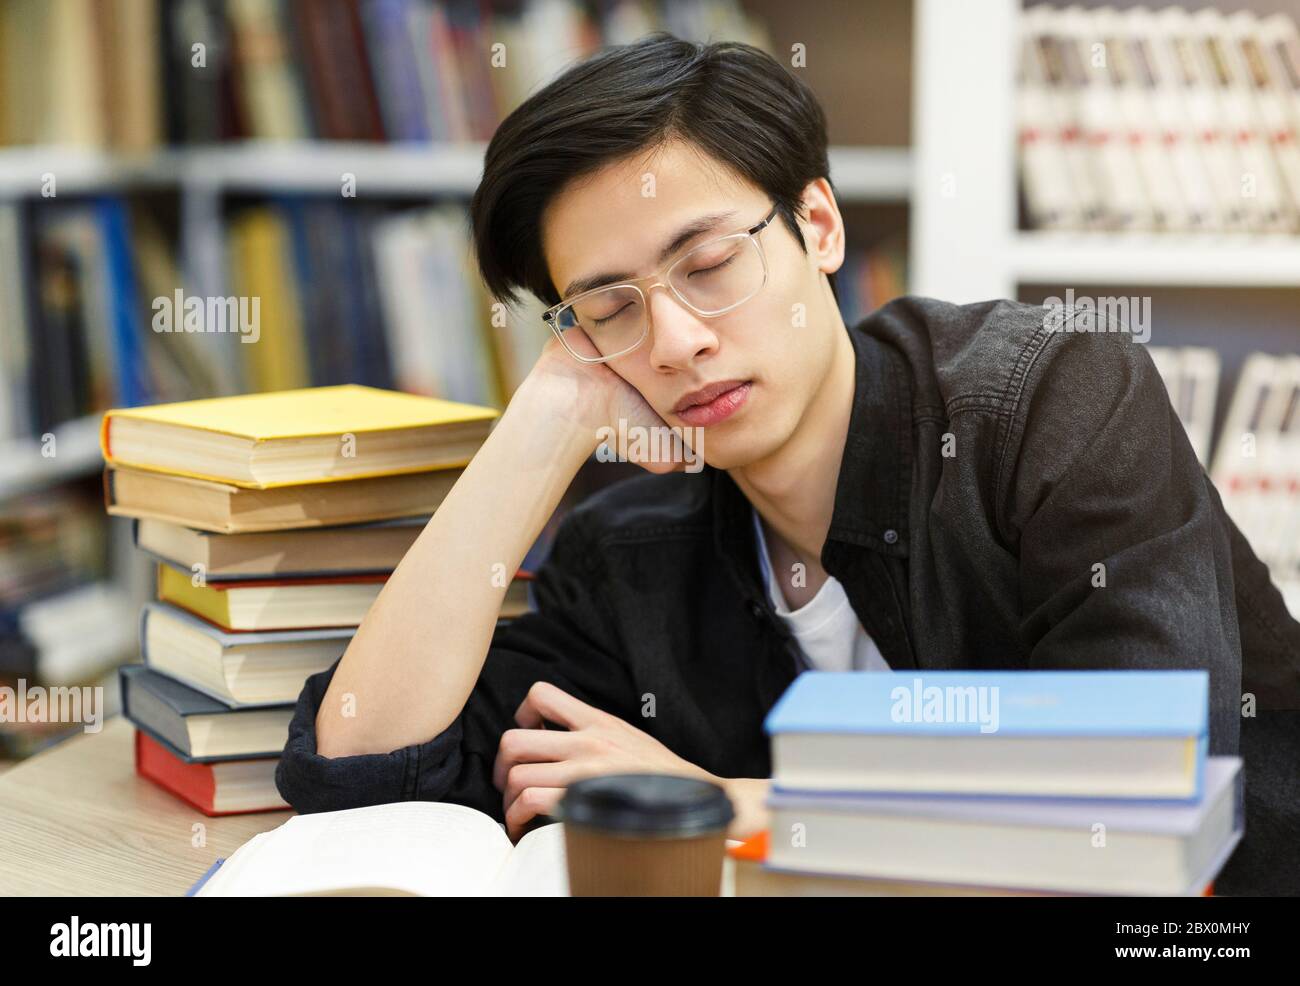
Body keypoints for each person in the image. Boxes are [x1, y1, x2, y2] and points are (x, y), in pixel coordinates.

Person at [276, 34, 1300, 894]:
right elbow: (361, 762)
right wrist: (550, 408)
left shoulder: (1050, 398)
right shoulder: (631, 554)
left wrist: (724, 803)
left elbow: (1146, 782)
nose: (674, 340)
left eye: (709, 264)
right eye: (608, 306)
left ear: (817, 224)